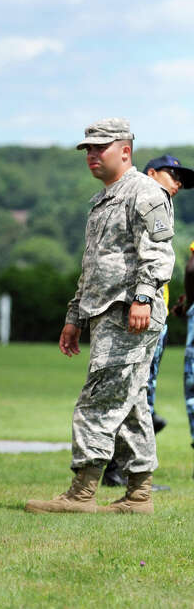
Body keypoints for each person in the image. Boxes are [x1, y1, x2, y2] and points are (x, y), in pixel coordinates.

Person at [26, 118, 174, 515]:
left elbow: (159, 253)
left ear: (125, 150)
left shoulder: (146, 192)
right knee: (129, 402)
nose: (91, 155)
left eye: (99, 148)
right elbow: (93, 266)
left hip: (130, 314)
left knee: (97, 401)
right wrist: (75, 316)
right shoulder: (104, 199)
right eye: (87, 149)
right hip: (104, 314)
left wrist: (143, 297)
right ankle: (139, 494)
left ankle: (82, 492)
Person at [102, 154, 192, 488]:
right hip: (141, 317)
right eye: (173, 175)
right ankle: (123, 470)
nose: (178, 183)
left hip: (158, 319)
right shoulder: (141, 205)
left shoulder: (163, 212)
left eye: (182, 179)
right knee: (137, 394)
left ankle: (122, 467)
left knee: (142, 394)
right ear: (151, 173)